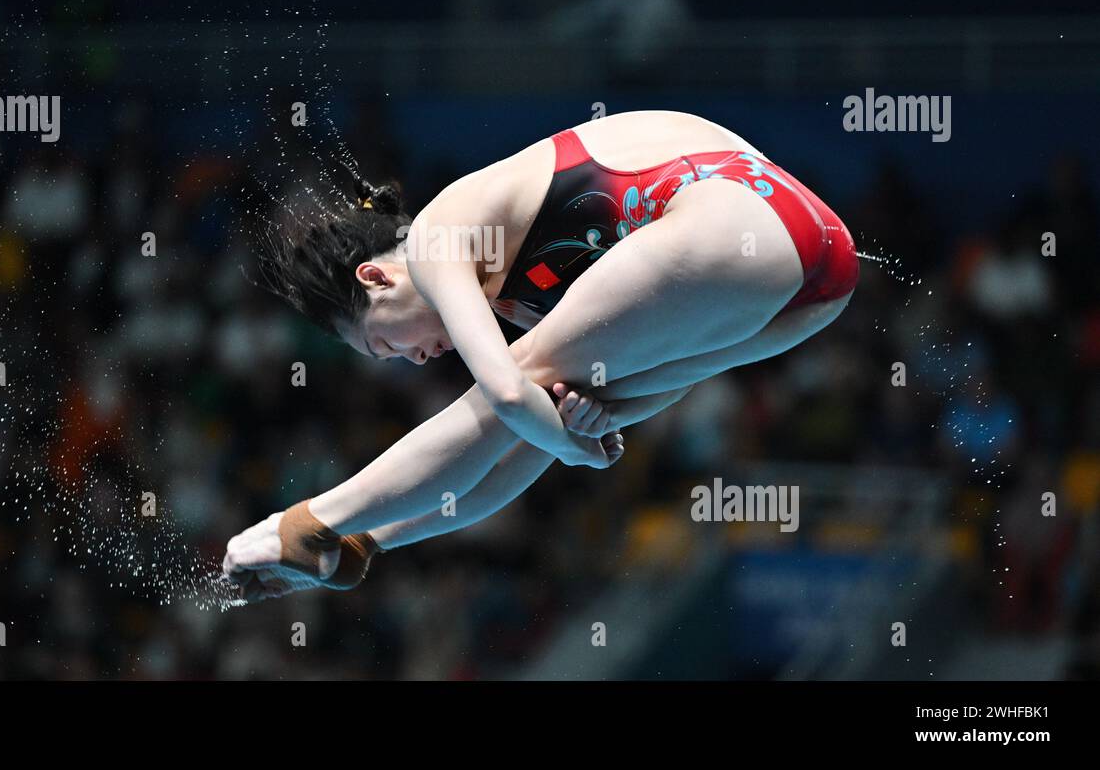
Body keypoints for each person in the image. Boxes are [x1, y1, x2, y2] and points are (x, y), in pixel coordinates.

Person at [223, 110, 858, 601]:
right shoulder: (524, 309)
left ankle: (305, 522)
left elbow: (501, 395)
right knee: (551, 409)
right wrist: (591, 424)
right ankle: (355, 534)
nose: (414, 359)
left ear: (375, 278)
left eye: (387, 344)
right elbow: (655, 386)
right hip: (820, 268)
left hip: (731, 211)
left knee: (516, 393)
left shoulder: (437, 236)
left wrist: (573, 445)